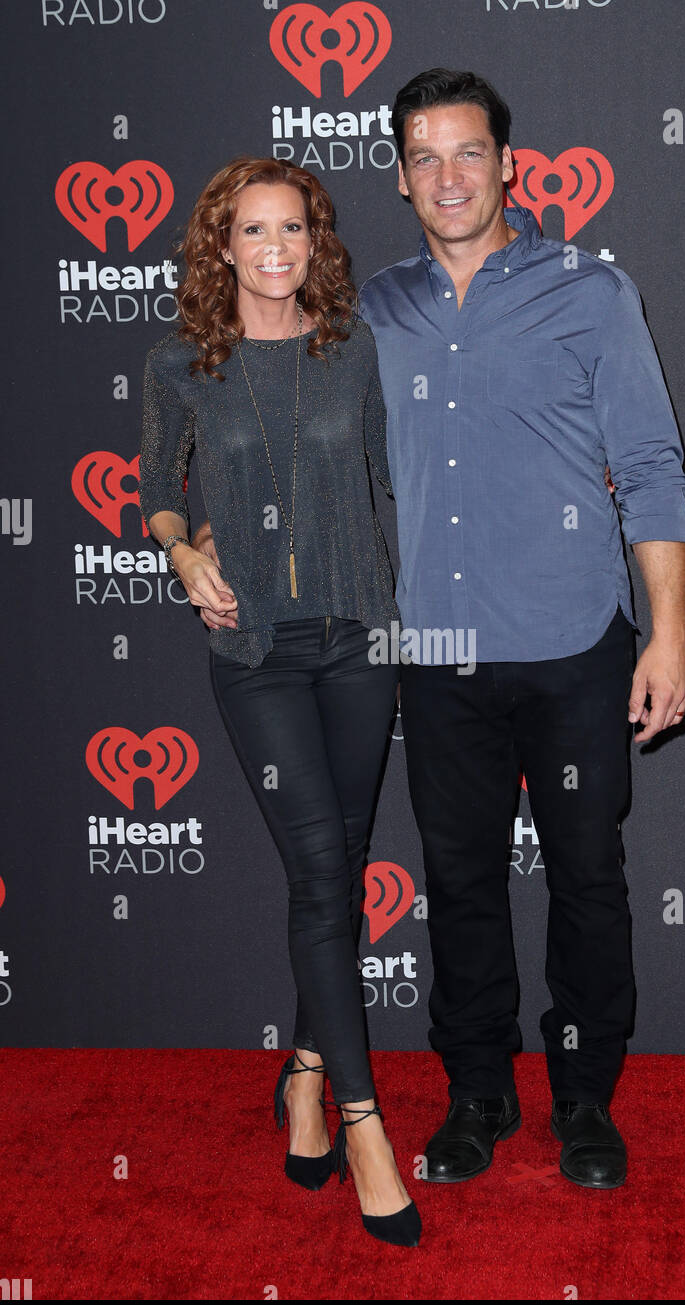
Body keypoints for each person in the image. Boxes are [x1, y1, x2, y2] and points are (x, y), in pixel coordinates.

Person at [197, 69, 685, 1193]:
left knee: (587, 877)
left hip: (576, 643)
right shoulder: (376, 308)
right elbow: (280, 427)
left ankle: (582, 1099)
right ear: (403, 175)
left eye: (468, 152)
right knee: (459, 881)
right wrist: (205, 533)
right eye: (423, 157)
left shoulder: (591, 291)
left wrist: (671, 636)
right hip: (436, 652)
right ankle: (477, 1094)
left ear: (508, 164)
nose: (447, 175)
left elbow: (655, 473)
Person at [138, 156, 421, 1247]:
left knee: (341, 870)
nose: (273, 247)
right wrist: (178, 557)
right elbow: (158, 488)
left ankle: (304, 1073)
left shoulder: (355, 354)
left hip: (360, 638)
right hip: (253, 650)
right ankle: (362, 1123)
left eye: (292, 228)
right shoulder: (180, 364)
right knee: (317, 870)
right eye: (251, 230)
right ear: (220, 244)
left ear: (317, 241)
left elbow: (408, 474)